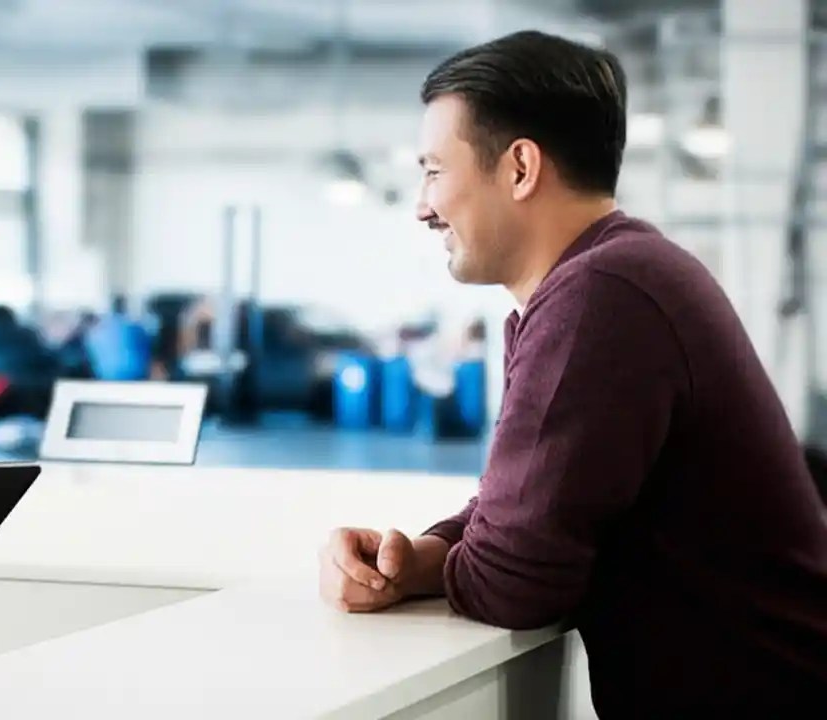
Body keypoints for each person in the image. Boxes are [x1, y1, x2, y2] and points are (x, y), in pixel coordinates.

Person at [318, 30, 827, 718]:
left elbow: (513, 579)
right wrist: (414, 557)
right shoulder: (614, 277)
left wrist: (437, 568)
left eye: (434, 170)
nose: (421, 205)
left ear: (520, 167)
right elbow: (520, 508)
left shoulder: (599, 296)